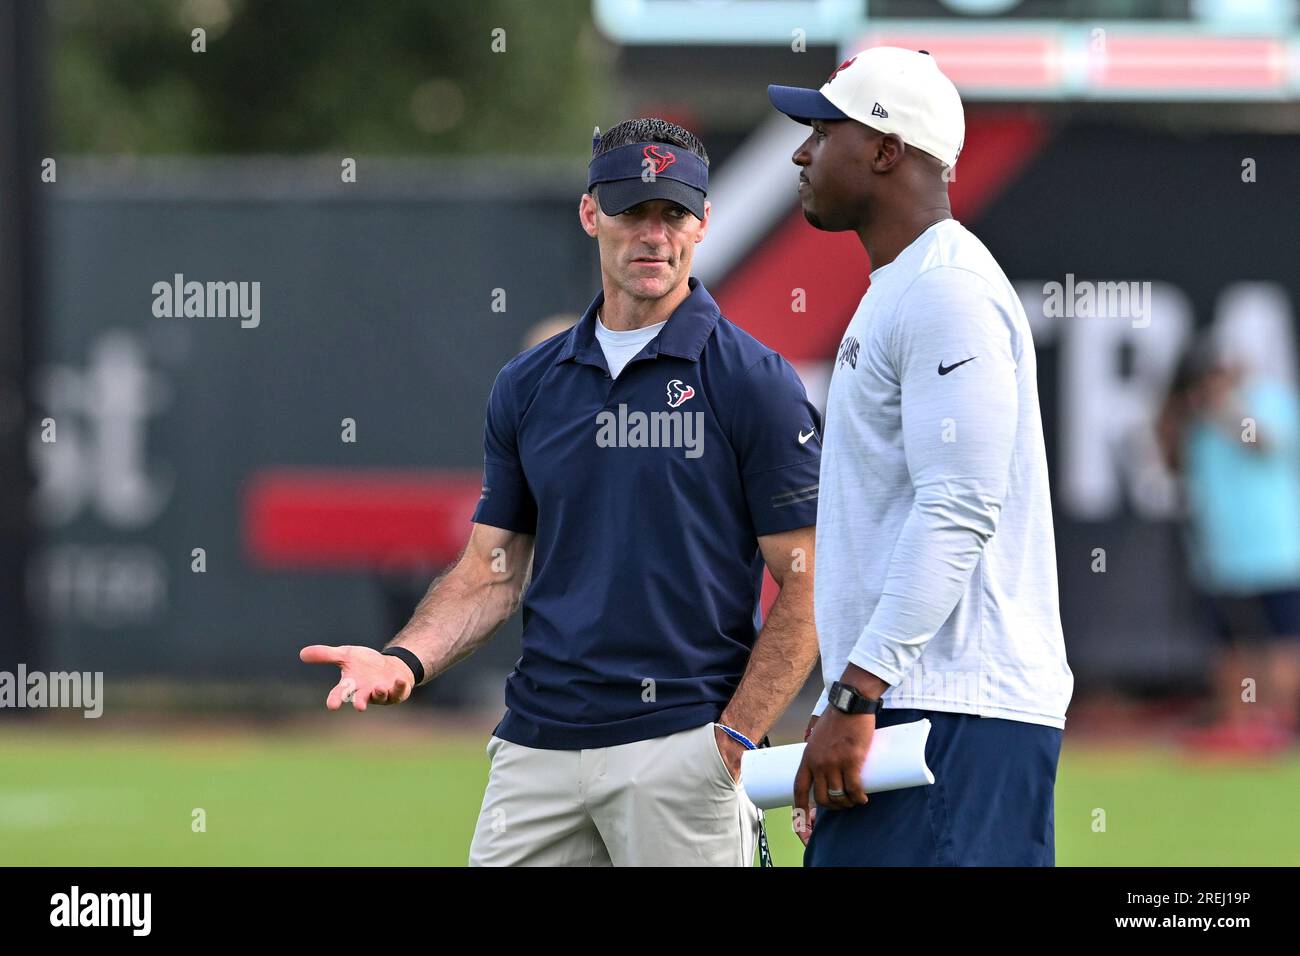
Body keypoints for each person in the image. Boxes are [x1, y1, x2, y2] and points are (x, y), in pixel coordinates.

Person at [301, 117, 824, 866]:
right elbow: (493, 570)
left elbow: (808, 582)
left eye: (673, 213)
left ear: (703, 222)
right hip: (537, 748)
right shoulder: (529, 383)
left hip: (683, 745)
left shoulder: (753, 382)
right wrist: (403, 660)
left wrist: (735, 737)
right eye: (631, 210)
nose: (653, 235)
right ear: (590, 213)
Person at [767, 47, 1074, 865]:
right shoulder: (909, 284)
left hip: (948, 713)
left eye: (821, 131)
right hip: (917, 708)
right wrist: (850, 699)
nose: (801, 154)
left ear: (884, 149)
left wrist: (855, 693)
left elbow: (959, 506)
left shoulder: (946, 289)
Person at [1158, 339, 1300, 754]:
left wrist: (1224, 408)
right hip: (1220, 556)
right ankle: (1239, 726)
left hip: (1275, 551)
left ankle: (1279, 725)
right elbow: (1171, 462)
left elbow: (1265, 443)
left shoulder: (1268, 399)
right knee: (1230, 647)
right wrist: (1180, 413)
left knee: (1283, 641)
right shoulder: (1193, 416)